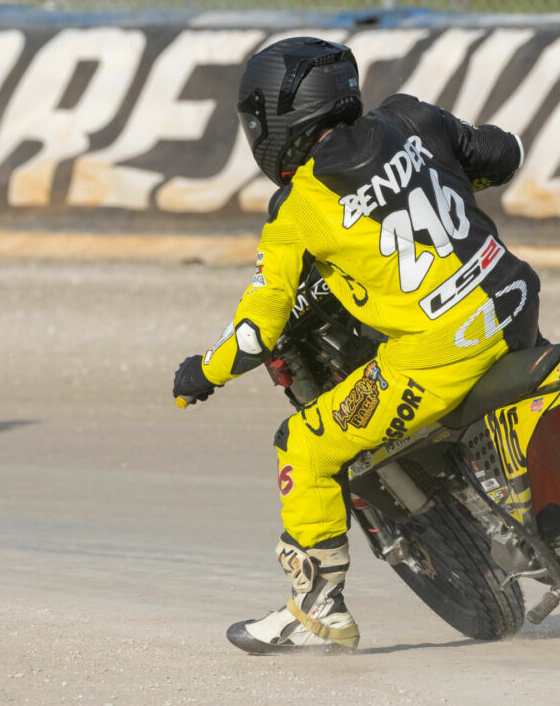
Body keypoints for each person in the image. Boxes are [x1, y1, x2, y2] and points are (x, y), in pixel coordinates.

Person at [172, 36, 541, 654]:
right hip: (515, 302)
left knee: (305, 444)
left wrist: (200, 375)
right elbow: (501, 155)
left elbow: (254, 333)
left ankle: (316, 605)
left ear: (278, 119)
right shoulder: (410, 115)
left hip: (442, 351)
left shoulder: (296, 210)